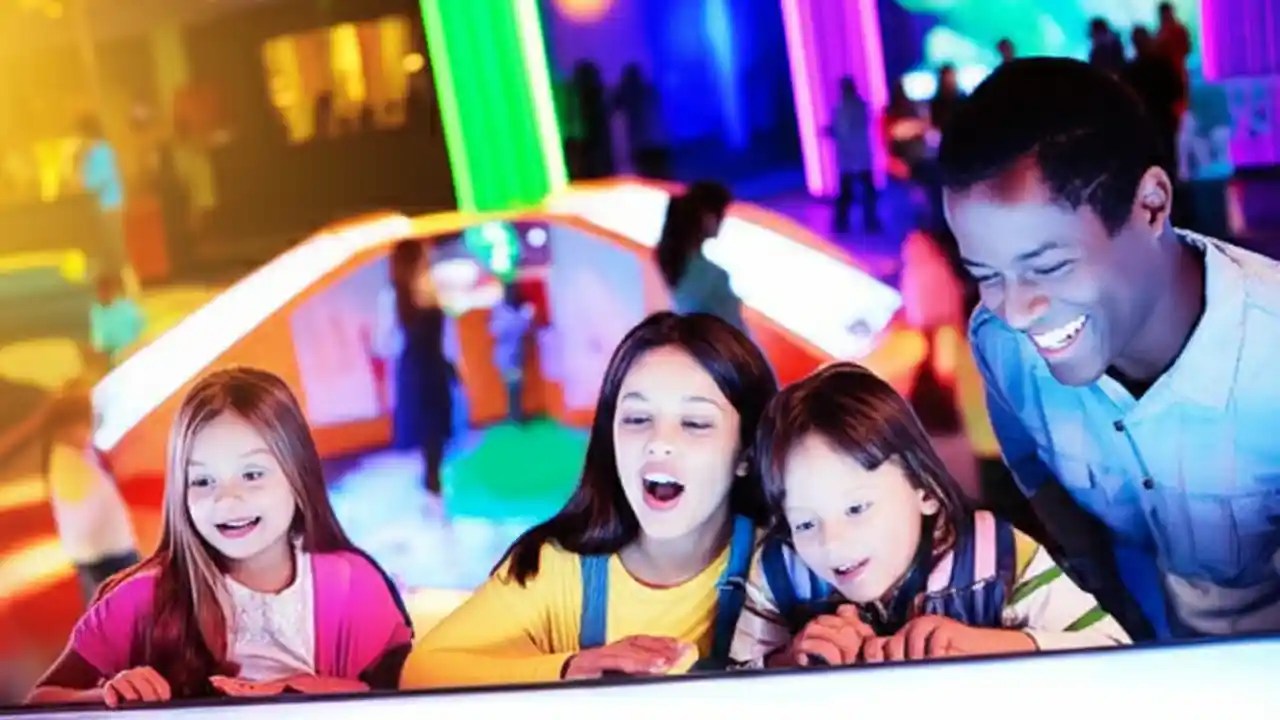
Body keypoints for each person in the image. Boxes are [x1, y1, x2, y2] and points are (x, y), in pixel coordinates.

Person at [939, 57, 1280, 640]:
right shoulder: (1001, 346)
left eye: (1048, 266)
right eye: (986, 274)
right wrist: (1101, 592)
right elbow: (1036, 475)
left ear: (1151, 204)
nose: (1015, 310)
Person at [400, 312, 777, 688]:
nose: (658, 441)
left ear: (746, 453)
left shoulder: (783, 565)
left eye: (695, 423)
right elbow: (421, 673)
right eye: (636, 418)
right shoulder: (557, 569)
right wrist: (571, 669)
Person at [27, 368, 413, 706]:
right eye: (203, 480)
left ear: (298, 473)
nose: (227, 498)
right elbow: (41, 701)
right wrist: (111, 696)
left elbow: (406, 698)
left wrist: (301, 690)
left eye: (252, 474)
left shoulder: (356, 586)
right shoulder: (141, 599)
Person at [729, 363, 1129, 668]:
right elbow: (724, 694)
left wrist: (982, 646)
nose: (831, 542)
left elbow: (1116, 655)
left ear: (926, 491)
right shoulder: (781, 572)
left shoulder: (997, 555)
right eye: (805, 523)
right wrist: (788, 661)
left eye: (856, 508)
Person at [42, 379, 140, 604]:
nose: (89, 431)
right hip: (104, 558)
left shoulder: (77, 452)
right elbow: (86, 519)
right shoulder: (67, 466)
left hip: (110, 553)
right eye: (85, 424)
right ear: (65, 428)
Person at [388, 240, 454, 495]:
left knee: (434, 434)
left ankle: (433, 485)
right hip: (424, 367)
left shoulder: (422, 289)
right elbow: (386, 342)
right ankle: (432, 486)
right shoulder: (406, 294)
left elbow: (386, 343)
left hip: (425, 367)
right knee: (432, 433)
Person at [655, 182, 746, 332]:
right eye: (721, 215)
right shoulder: (710, 276)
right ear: (707, 217)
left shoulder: (674, 268)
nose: (723, 222)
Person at [76, 116, 136, 298]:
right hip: (103, 207)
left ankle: (131, 287)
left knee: (115, 249)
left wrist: (81, 179)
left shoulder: (101, 152)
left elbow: (96, 180)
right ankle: (121, 289)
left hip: (109, 206)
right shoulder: (92, 153)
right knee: (109, 251)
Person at [828, 77, 879, 234]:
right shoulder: (862, 107)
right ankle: (869, 220)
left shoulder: (841, 108)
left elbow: (840, 131)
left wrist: (830, 132)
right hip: (860, 156)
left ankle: (842, 222)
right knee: (865, 190)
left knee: (847, 192)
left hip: (849, 157)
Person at [489, 282, 536, 424]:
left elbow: (525, 328)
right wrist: (521, 320)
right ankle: (515, 415)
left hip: (515, 352)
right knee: (513, 386)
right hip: (507, 355)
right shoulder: (500, 310)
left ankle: (516, 414)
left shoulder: (517, 308)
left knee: (516, 385)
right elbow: (496, 330)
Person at [89, 271, 145, 368]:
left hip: (130, 353)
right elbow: (98, 339)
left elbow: (141, 330)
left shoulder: (128, 308)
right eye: (100, 290)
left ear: (112, 291)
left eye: (106, 290)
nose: (102, 294)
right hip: (109, 357)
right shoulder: (96, 311)